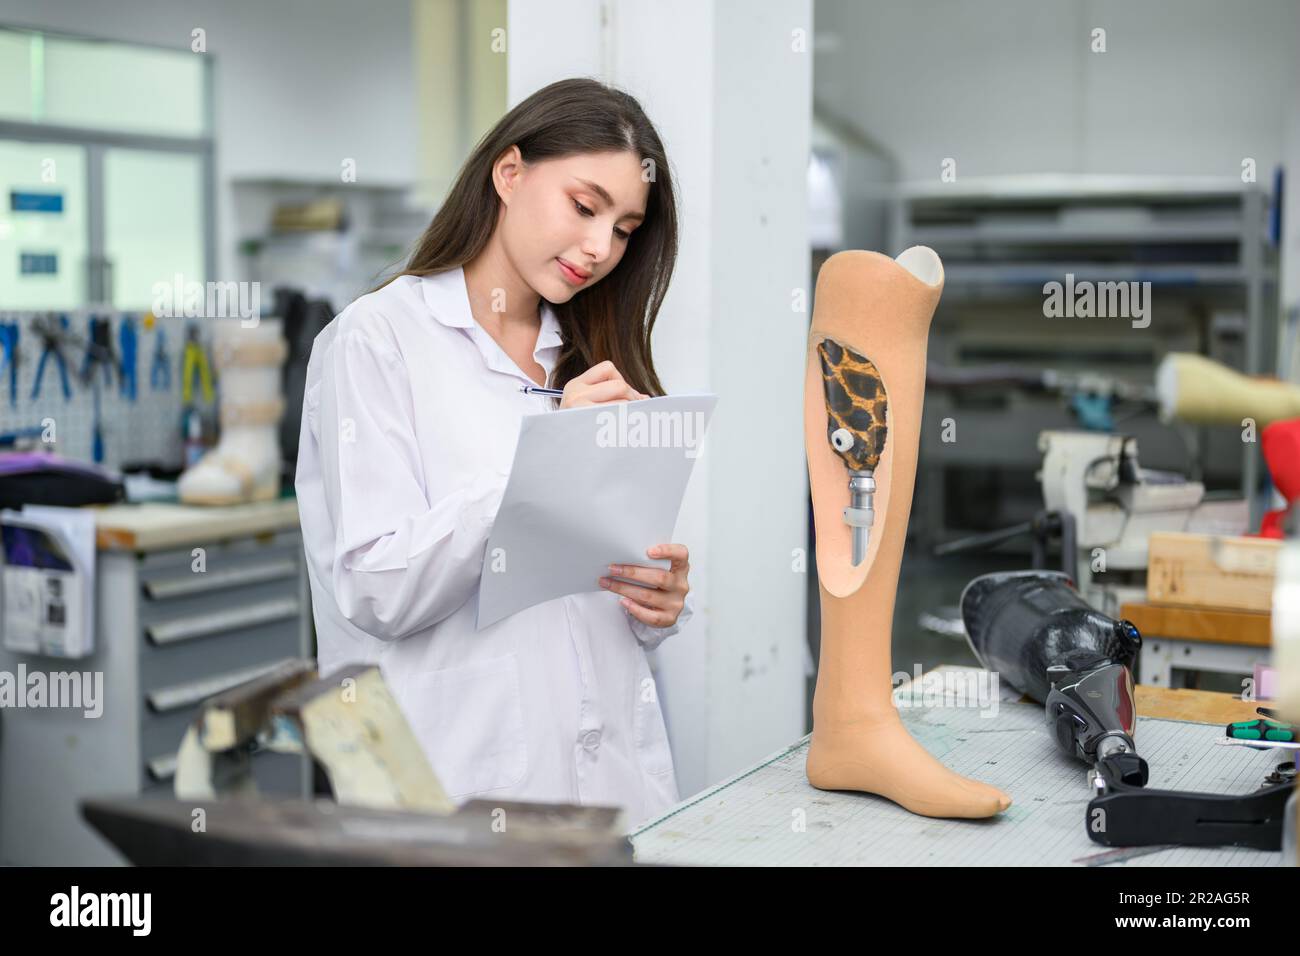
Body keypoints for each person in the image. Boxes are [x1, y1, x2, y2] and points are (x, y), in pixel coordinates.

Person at [295, 77, 694, 827]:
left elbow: (589, 589)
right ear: (508, 174)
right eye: (585, 207)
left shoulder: (586, 354)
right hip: (458, 786)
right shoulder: (376, 340)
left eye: (625, 229)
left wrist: (657, 604)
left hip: (614, 787)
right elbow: (374, 588)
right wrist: (541, 460)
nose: (600, 248)